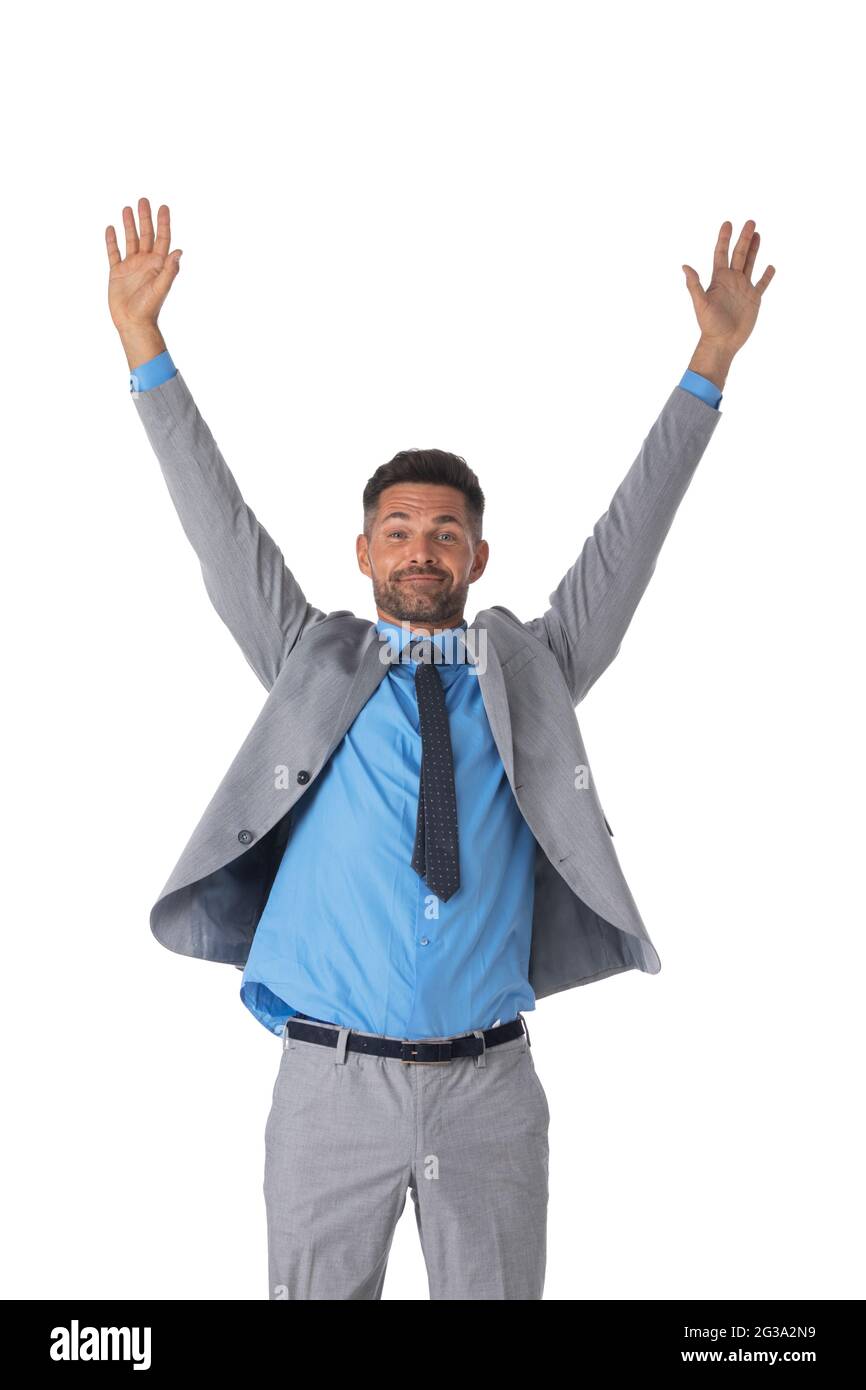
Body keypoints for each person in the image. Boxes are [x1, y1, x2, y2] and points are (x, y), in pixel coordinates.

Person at [106, 199, 774, 1300]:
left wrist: (709, 359)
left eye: (446, 532)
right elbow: (219, 524)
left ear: (476, 553)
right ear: (365, 548)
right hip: (330, 1086)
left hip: (488, 1087)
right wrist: (145, 348)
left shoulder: (533, 671)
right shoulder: (306, 655)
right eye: (401, 530)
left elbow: (627, 534)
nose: (423, 549)